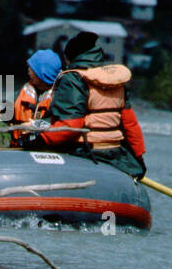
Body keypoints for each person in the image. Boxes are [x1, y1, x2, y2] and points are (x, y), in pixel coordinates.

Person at [34, 32, 146, 178]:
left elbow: (70, 126)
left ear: (70, 58)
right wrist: (138, 158)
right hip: (115, 153)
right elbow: (130, 124)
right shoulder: (114, 80)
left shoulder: (73, 79)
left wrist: (39, 140)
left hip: (84, 152)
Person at [11, 49, 61, 146]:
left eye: (31, 68)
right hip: (17, 149)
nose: (28, 70)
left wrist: (36, 126)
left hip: (43, 151)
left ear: (41, 74)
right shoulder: (22, 91)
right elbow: (5, 111)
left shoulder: (59, 98)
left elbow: (59, 125)